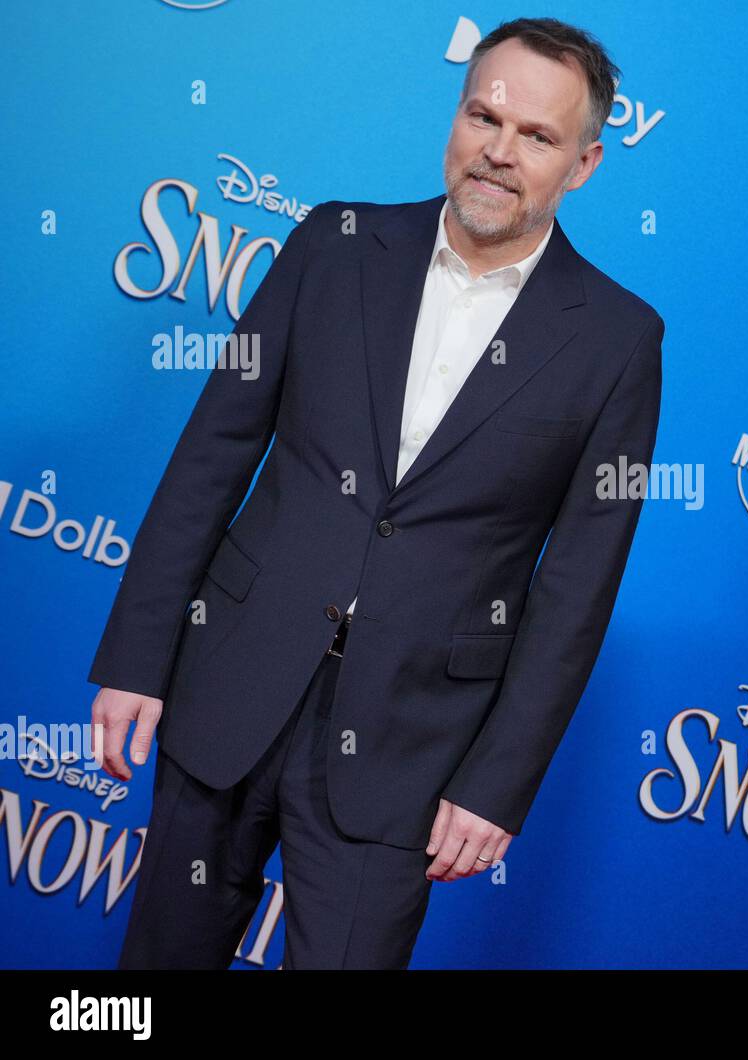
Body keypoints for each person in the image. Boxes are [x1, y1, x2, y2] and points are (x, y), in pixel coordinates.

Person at [88, 16, 663, 969]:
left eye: (537, 136)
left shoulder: (618, 341)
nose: (499, 151)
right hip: (231, 681)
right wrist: (136, 660)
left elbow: (577, 591)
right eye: (484, 117)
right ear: (457, 115)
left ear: (585, 164)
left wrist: (497, 785)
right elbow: (209, 458)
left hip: (410, 749)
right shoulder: (335, 243)